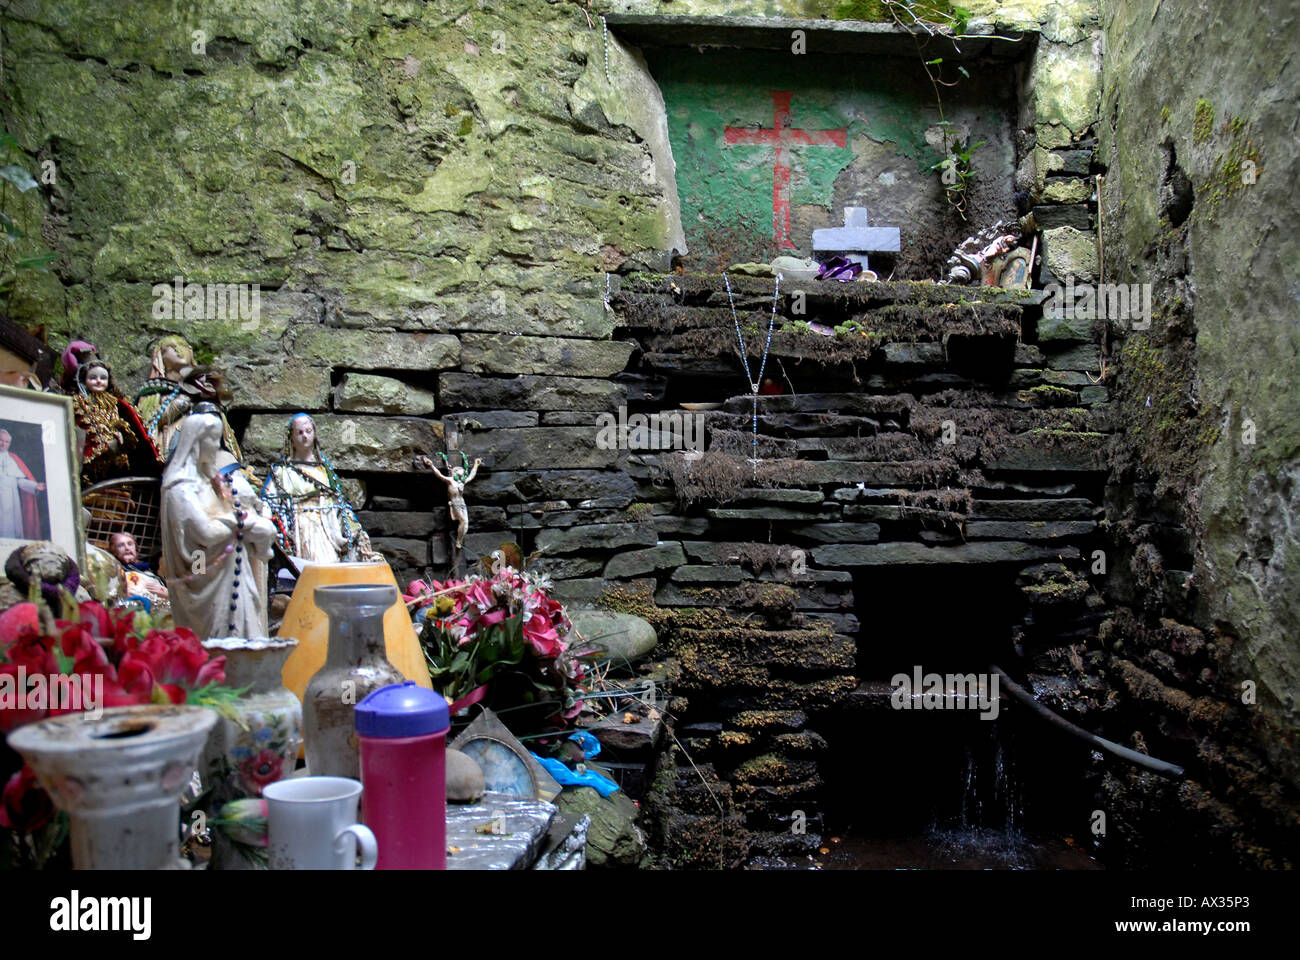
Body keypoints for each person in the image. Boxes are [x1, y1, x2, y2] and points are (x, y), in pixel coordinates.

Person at [160, 409, 275, 640]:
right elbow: (206, 533)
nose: (217, 447)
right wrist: (244, 522)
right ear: (197, 441)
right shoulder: (181, 488)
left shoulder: (210, 481)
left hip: (233, 571)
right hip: (204, 576)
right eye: (213, 440)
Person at [259, 413, 379, 565]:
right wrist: (265, 521)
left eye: (308, 431)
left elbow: (339, 503)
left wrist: (354, 528)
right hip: (297, 527)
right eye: (299, 432)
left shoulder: (324, 470)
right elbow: (268, 501)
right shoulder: (282, 471)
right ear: (292, 438)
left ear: (314, 434)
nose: (304, 436)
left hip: (325, 526)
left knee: (328, 563)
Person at [133, 335, 243, 465]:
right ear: (160, 357)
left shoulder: (202, 388)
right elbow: (145, 424)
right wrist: (181, 402)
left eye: (184, 346)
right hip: (169, 446)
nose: (179, 350)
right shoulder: (152, 392)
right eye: (172, 347)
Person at [72, 357, 160, 483]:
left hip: (117, 450)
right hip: (92, 453)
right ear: (84, 381)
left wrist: (118, 432)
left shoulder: (115, 403)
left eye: (103, 378)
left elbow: (121, 421)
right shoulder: (79, 402)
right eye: (92, 378)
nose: (98, 381)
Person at [415, 451, 481, 552]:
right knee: (463, 520)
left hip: (462, 502)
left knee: (466, 524)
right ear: (455, 471)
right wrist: (432, 465)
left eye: (462, 469)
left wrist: (476, 464)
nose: (462, 469)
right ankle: (458, 542)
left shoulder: (462, 482)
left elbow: (471, 475)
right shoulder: (450, 480)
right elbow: (439, 475)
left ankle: (460, 540)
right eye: (459, 469)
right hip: (455, 503)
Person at [0, 428, 45, 540]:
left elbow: (19, 481)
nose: (3, 444)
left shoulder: (13, 459)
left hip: (12, 500)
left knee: (13, 529)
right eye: (1, 440)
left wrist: (35, 486)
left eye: (6, 442)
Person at [108, 531, 169, 603]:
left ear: (136, 548)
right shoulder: (113, 572)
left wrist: (167, 593)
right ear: (113, 551)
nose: (127, 548)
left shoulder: (154, 570)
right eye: (120, 545)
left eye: (130, 544)